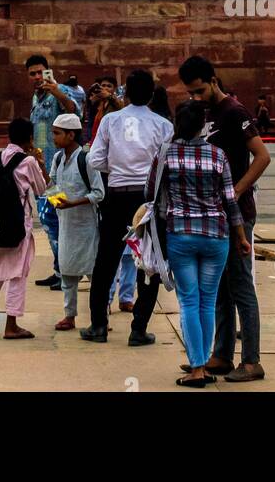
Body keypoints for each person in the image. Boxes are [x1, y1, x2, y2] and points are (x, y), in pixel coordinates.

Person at [179, 54, 271, 383]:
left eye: (200, 90)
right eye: (191, 93)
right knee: (219, 288)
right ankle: (220, 353)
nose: (196, 98)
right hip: (212, 215)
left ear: (214, 81)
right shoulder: (202, 113)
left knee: (241, 285)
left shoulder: (234, 112)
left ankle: (251, 360)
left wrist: (235, 192)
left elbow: (262, 156)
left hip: (236, 215)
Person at [150, 100, 251, 387]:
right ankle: (204, 365)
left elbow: (152, 194)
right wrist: (241, 237)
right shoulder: (218, 155)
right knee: (208, 302)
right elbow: (231, 201)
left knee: (189, 301)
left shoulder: (165, 154)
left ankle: (196, 369)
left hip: (180, 234)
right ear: (202, 125)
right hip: (216, 236)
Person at [82, 68, 172, 347]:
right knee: (149, 262)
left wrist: (119, 167)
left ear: (127, 93)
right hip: (147, 200)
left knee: (105, 260)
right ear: (152, 94)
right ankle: (138, 329)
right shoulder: (163, 125)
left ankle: (98, 325)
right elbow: (165, 166)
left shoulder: (111, 120)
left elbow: (95, 160)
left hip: (116, 194)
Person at [0, 116, 47, 340]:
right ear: (30, 139)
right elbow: (42, 189)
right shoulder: (28, 162)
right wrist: (40, 162)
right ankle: (11, 325)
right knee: (17, 274)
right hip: (17, 225)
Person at [25, 54, 78, 290]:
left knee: (55, 219)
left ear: (48, 71)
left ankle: (65, 271)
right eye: (32, 73)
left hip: (58, 170)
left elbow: (74, 110)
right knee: (49, 221)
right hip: (42, 170)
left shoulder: (59, 91)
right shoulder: (36, 99)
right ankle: (59, 269)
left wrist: (57, 91)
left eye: (40, 72)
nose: (37, 77)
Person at [47, 112, 103, 330]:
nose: (54, 137)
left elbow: (99, 193)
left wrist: (73, 203)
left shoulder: (86, 159)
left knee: (93, 274)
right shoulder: (58, 158)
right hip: (66, 224)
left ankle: (100, 316)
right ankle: (69, 315)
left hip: (86, 226)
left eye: (57, 133)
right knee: (67, 272)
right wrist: (58, 201)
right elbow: (51, 184)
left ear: (71, 135)